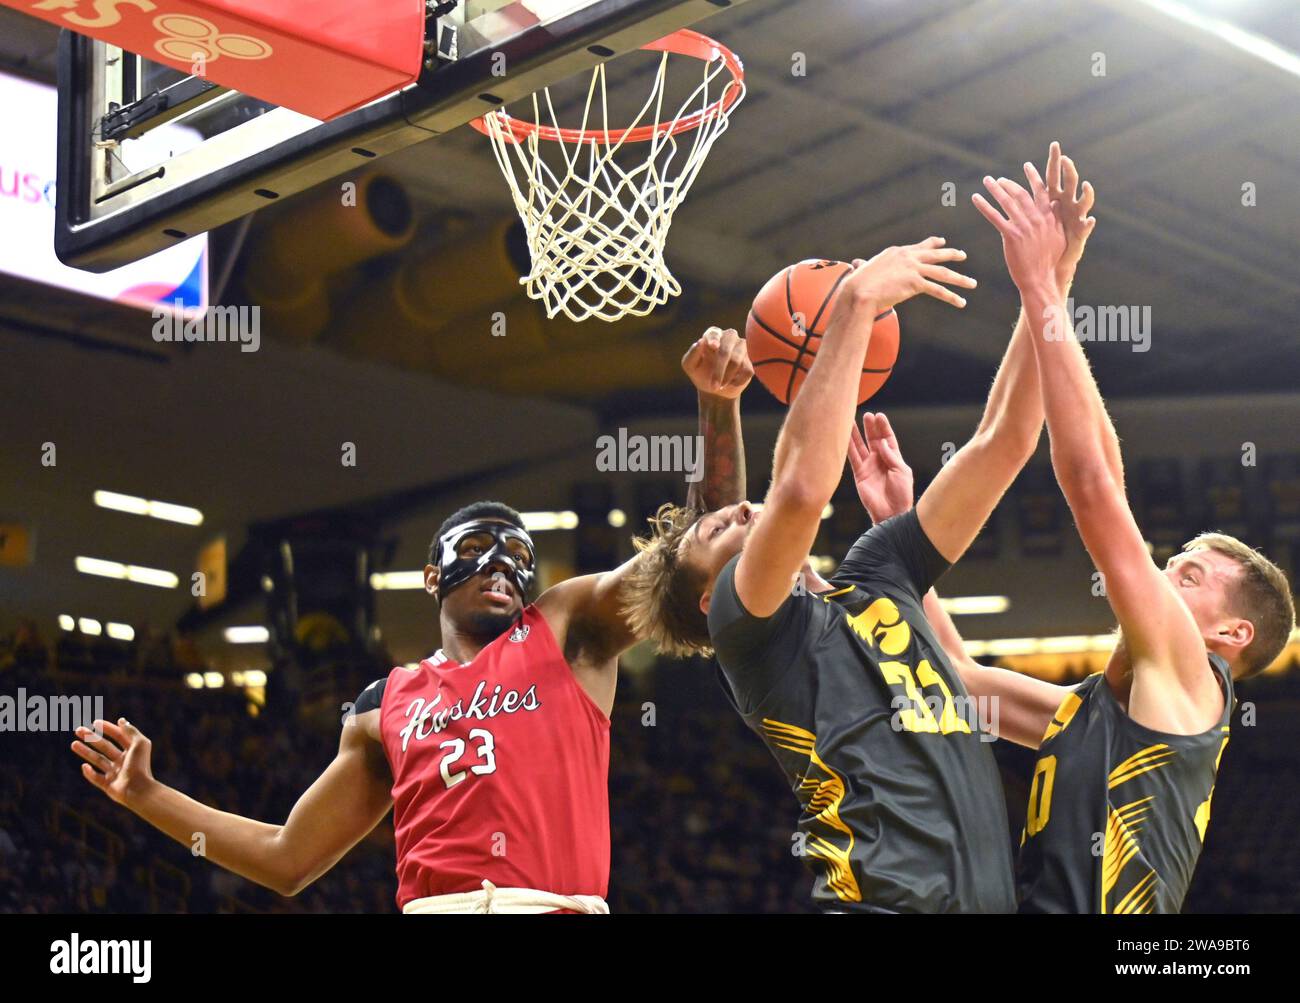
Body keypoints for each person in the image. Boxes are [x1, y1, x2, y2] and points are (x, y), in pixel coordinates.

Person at [70, 327, 755, 915]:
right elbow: (287, 859)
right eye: (477, 545)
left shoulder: (568, 626)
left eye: (518, 552)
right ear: (432, 577)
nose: (500, 561)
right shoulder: (380, 707)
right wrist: (148, 795)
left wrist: (716, 404)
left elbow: (701, 558)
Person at [624, 236, 1045, 912]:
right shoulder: (748, 632)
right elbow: (797, 493)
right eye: (716, 528)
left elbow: (1007, 439)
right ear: (710, 597)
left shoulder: (875, 576)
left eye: (732, 509)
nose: (737, 510)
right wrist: (854, 300)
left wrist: (1045, 291)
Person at [958, 142, 1296, 913]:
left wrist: (1042, 285)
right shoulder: (1090, 715)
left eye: (1190, 574)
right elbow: (952, 680)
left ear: (1232, 635)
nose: (1162, 573)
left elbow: (1091, 484)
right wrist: (895, 544)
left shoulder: (1189, 673)